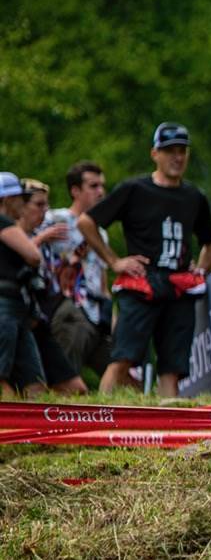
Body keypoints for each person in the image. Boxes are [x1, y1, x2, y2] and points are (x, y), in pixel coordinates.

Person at [76, 122, 211, 397]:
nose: (177, 157)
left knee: (172, 368)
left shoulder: (194, 196)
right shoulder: (135, 189)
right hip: (140, 284)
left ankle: (170, 433)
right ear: (155, 153)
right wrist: (114, 261)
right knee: (122, 359)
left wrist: (201, 271)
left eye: (182, 151)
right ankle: (101, 417)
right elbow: (86, 222)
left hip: (178, 288)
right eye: (170, 151)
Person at [40, 161, 113, 376]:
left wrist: (112, 317)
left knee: (120, 372)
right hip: (68, 308)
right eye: (93, 186)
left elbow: (102, 281)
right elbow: (24, 239)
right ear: (75, 191)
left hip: (96, 313)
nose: (100, 192)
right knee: (66, 378)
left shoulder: (101, 233)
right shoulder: (55, 218)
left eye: (102, 186)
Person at [17, 180, 87, 394]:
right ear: (20, 206)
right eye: (39, 205)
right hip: (16, 318)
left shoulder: (46, 240)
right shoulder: (10, 235)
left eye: (47, 205)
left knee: (76, 389)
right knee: (29, 389)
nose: (45, 211)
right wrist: (39, 239)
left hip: (41, 317)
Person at [0, 172, 46, 398]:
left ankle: (30, 426)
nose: (24, 204)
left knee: (34, 381)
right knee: (2, 378)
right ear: (7, 200)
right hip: (4, 307)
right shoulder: (3, 222)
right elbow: (33, 256)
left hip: (16, 307)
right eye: (20, 198)